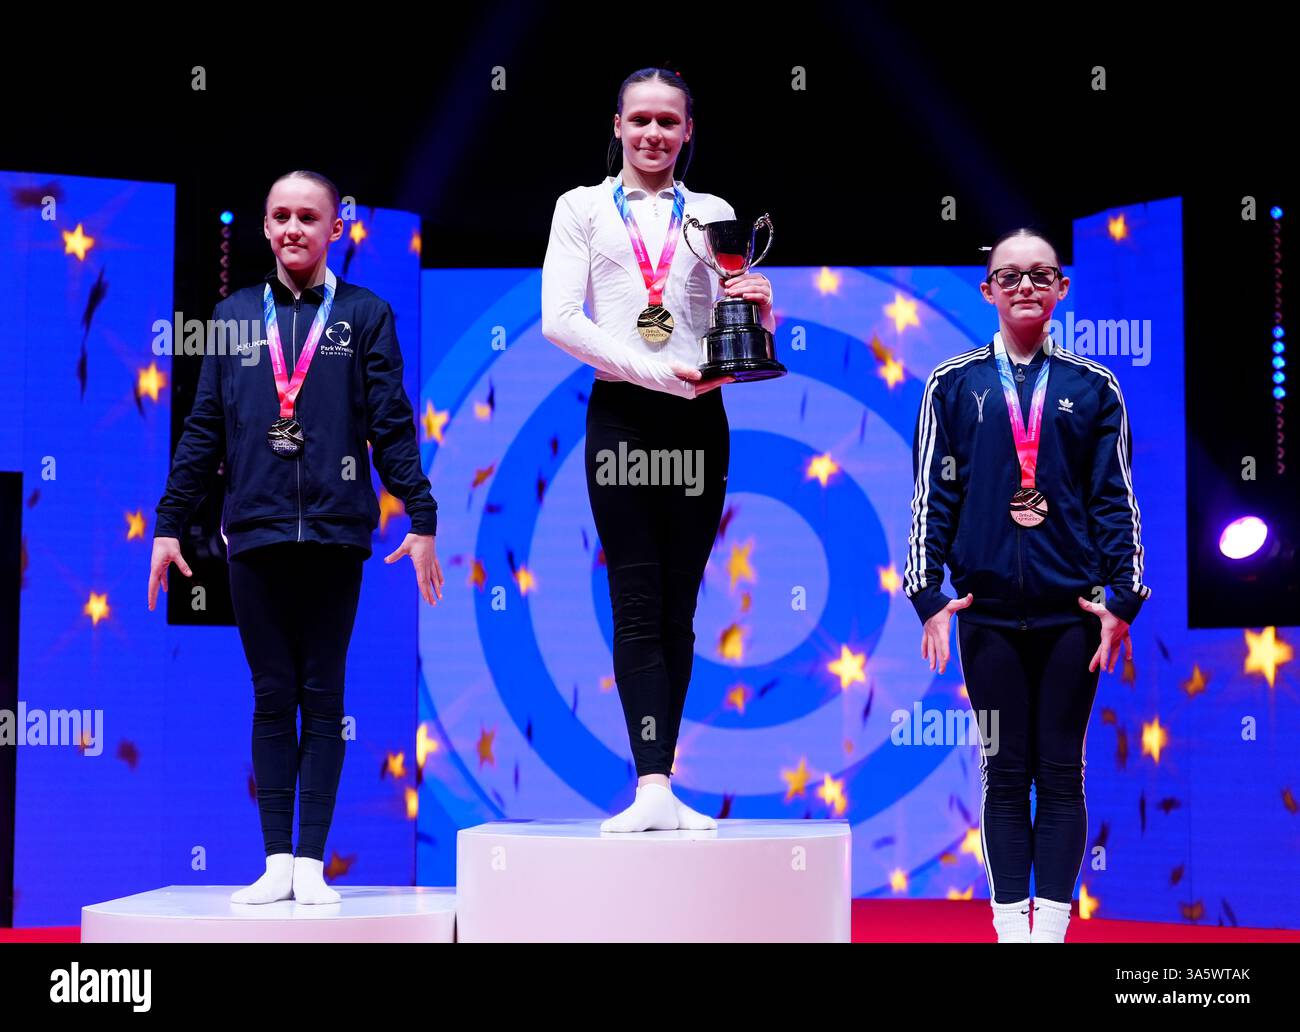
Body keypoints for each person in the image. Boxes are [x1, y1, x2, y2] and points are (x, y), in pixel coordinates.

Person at [148, 170, 445, 904]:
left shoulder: (366, 315)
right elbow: (202, 433)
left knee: (323, 691)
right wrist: (167, 524)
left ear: (334, 228)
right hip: (253, 533)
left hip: (338, 537)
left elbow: (391, 426)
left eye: (307, 217)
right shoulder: (234, 315)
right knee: (272, 695)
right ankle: (276, 860)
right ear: (264, 226)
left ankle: (311, 862)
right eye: (279, 215)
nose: (292, 229)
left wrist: (423, 514)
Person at [541, 67, 776, 832]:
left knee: (680, 608)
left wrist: (759, 316)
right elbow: (560, 321)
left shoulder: (713, 213)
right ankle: (647, 788)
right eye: (639, 120)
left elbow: (723, 332)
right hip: (624, 420)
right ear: (616, 126)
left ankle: (664, 784)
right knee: (636, 600)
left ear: (687, 131)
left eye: (667, 122)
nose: (652, 134)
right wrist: (657, 374)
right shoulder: (580, 207)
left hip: (699, 421)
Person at [904, 228, 1150, 941]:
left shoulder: (1092, 387)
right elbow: (932, 497)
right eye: (1008, 277)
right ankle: (1013, 932)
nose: (1025, 288)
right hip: (984, 617)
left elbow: (1116, 499)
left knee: (1061, 771)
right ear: (987, 291)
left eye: (1040, 276)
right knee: (1004, 772)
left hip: (1072, 615)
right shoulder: (952, 385)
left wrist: (1121, 600)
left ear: (1061, 289)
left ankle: (1053, 934)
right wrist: (928, 598)